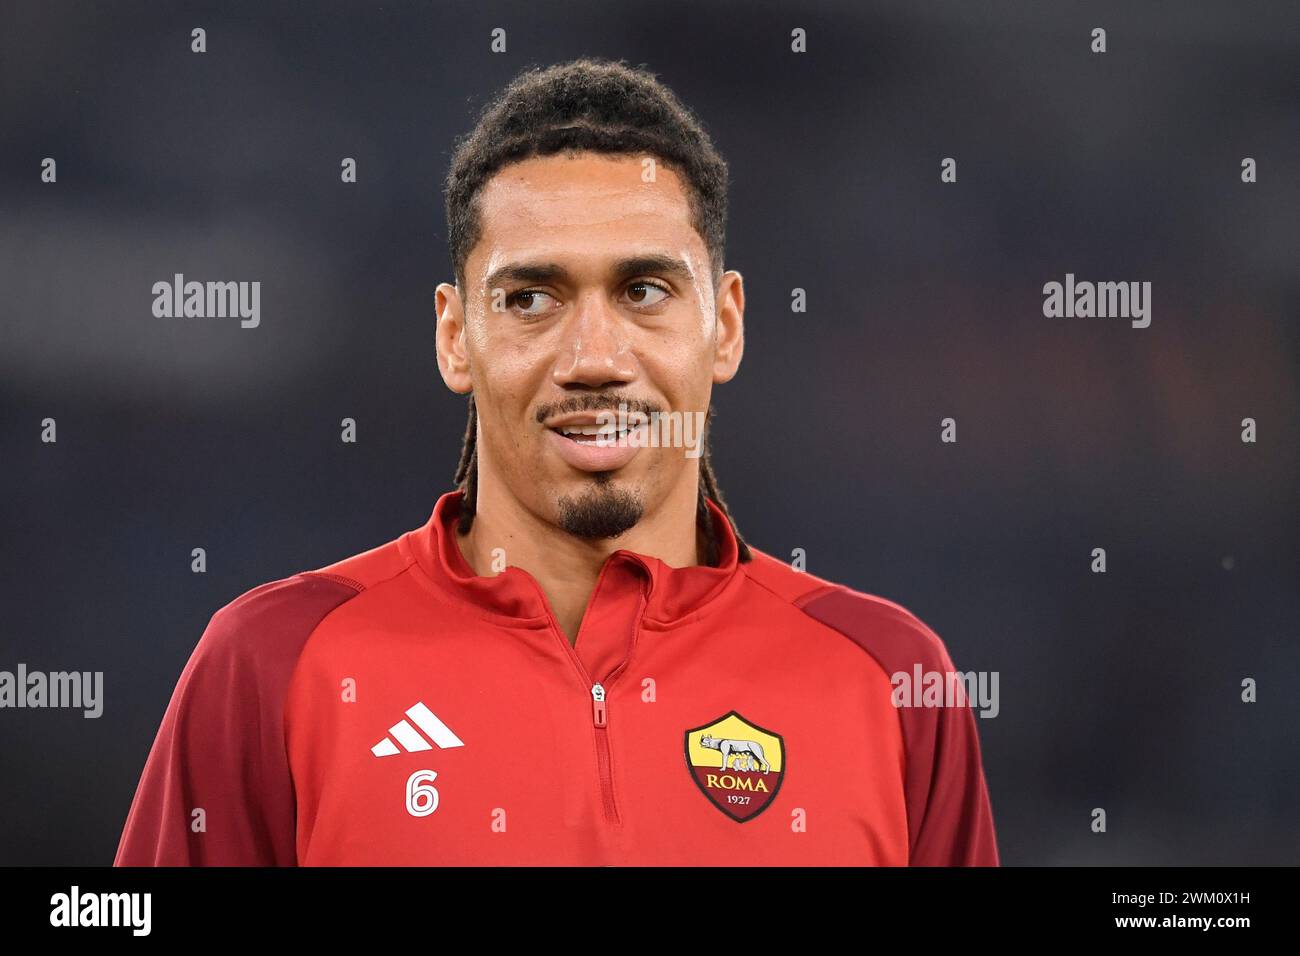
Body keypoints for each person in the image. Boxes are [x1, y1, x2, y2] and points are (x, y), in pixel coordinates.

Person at [115, 57, 998, 866]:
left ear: (724, 325)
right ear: (455, 336)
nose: (593, 356)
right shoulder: (272, 663)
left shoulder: (888, 680)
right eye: (532, 297)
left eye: (644, 291)